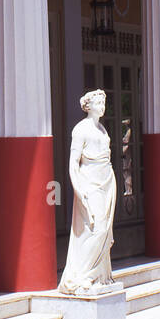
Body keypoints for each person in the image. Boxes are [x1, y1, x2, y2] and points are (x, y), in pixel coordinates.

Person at [58, 89, 117, 293]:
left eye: (104, 102)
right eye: (98, 102)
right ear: (88, 106)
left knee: (105, 230)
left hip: (107, 181)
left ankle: (99, 275)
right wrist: (78, 188)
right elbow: (73, 163)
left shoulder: (102, 129)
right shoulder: (80, 129)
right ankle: (82, 275)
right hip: (90, 183)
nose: (102, 106)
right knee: (96, 228)